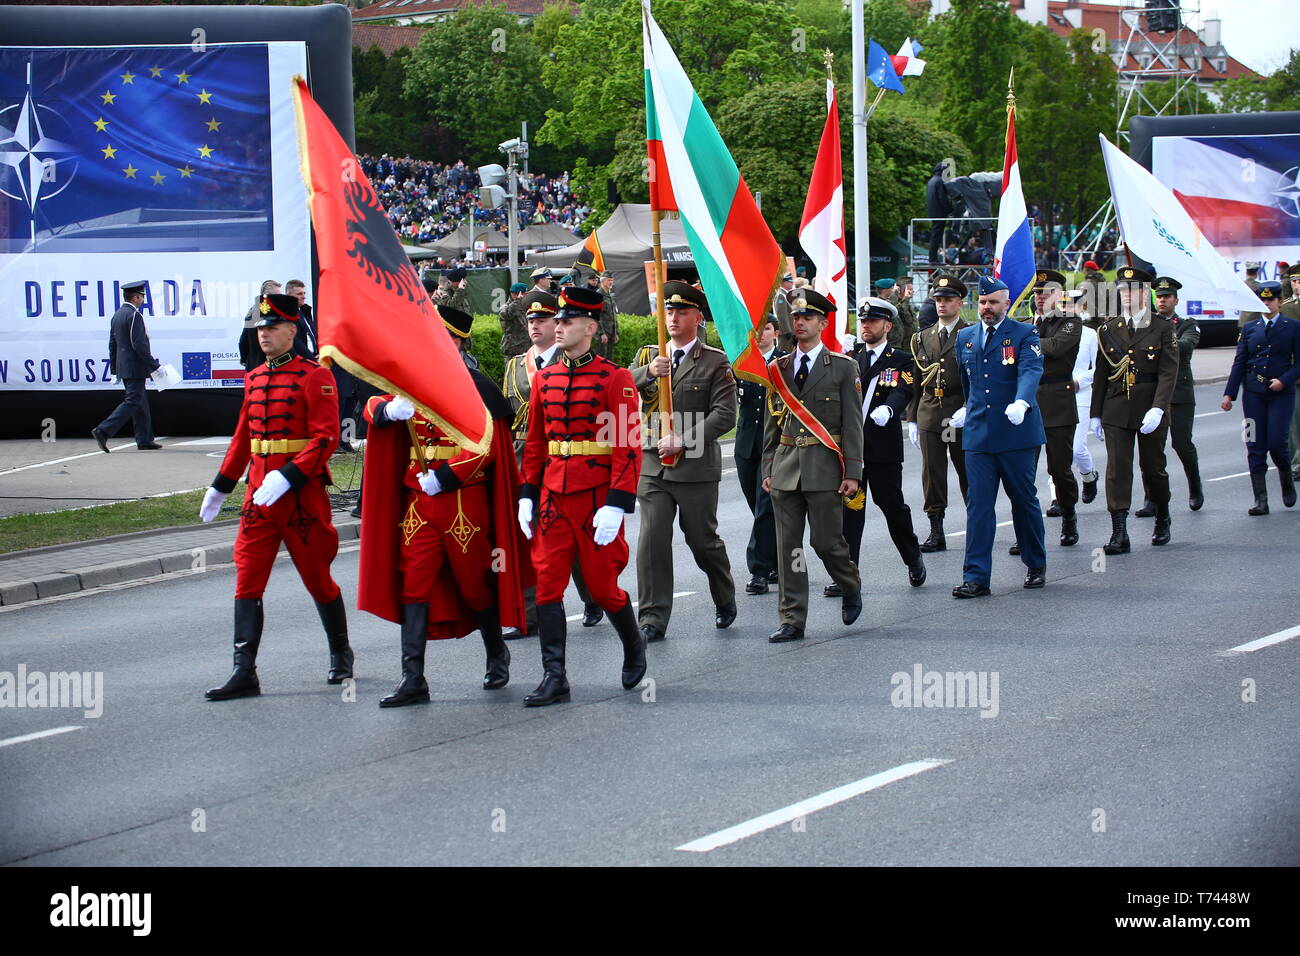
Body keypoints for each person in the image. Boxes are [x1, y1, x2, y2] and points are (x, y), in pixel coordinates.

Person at [357, 306, 527, 706]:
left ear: (457, 343)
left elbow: (488, 446)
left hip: (463, 502)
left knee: (475, 586)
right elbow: (370, 403)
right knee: (412, 584)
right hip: (418, 503)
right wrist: (386, 411)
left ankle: (495, 651)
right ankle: (412, 678)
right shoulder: (411, 384)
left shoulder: (478, 388)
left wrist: (447, 477)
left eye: (444, 339)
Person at [198, 292, 352, 700]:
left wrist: (288, 476)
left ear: (291, 329)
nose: (263, 334)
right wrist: (221, 485)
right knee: (247, 576)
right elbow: (242, 439)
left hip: (299, 495)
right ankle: (243, 670)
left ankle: (340, 652)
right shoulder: (254, 377)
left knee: (317, 578)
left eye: (271, 326)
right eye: (260, 327)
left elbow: (325, 438)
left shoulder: (315, 375)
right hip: (258, 497)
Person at [517, 286, 645, 706]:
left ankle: (634, 647)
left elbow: (627, 444)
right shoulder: (544, 378)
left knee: (603, 588)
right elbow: (535, 442)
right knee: (549, 585)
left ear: (589, 327)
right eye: (558, 320)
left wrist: (618, 502)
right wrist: (526, 494)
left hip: (595, 498)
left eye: (567, 321)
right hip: (554, 496)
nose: (558, 327)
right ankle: (555, 677)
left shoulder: (615, 377)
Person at [630, 281, 737, 642]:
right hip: (653, 464)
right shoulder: (649, 356)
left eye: (681, 312)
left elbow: (725, 416)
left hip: (694, 468)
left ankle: (724, 595)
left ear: (697, 317)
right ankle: (652, 618)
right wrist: (648, 373)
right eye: (669, 312)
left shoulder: (714, 361)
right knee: (652, 539)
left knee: (701, 540)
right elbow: (621, 389)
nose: (673, 318)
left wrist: (684, 439)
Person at [762, 290, 864, 642]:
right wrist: (768, 470)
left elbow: (853, 425)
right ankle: (792, 618)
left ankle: (849, 583)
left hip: (824, 469)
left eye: (808, 318)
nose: (800, 322)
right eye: (796, 317)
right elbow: (771, 425)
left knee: (826, 542)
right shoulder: (778, 369)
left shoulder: (842, 368)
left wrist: (853, 473)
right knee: (789, 548)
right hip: (787, 468)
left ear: (823, 323)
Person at [501, 290, 603, 635]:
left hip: (562, 456)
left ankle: (593, 596)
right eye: (531, 321)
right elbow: (507, 413)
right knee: (529, 536)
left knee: (569, 536)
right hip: (523, 457)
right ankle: (533, 612)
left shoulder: (574, 359)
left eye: (543, 320)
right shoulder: (515, 365)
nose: (536, 327)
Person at [949, 276, 1046, 597]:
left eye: (993, 302)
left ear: (1007, 303)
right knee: (978, 506)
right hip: (978, 434)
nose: (987, 308)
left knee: (1023, 500)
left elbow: (1030, 370)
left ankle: (1035, 563)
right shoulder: (965, 336)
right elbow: (968, 380)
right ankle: (976, 576)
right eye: (983, 302)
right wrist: (966, 407)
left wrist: (1022, 400)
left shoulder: (1024, 333)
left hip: (1016, 432)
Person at [836, 297, 926, 591]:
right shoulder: (850, 358)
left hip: (883, 450)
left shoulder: (900, 359)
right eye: (863, 321)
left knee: (892, 507)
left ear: (887, 325)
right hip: (853, 452)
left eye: (872, 321)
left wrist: (890, 408)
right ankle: (847, 575)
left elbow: (906, 387)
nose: (866, 326)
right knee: (850, 512)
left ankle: (913, 558)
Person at [1089, 266, 1179, 554]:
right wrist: (1095, 414)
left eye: (1133, 290)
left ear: (1144, 293)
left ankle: (1162, 515)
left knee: (1153, 467)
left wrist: (1158, 409)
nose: (1127, 295)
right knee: (1117, 469)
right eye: (1123, 290)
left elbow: (1168, 373)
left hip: (1149, 405)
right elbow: (1101, 373)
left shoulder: (1163, 327)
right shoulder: (1108, 329)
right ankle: (1119, 531)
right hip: (1116, 406)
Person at [1221, 280, 1299, 514]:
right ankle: (1260, 500)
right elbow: (1240, 362)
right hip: (1253, 395)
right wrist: (1229, 394)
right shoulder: (1250, 329)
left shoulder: (1293, 327)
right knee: (1254, 444)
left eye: (1271, 300)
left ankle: (1285, 480)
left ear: (1279, 302)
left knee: (1277, 443)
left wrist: (1284, 380)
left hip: (1280, 395)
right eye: (1263, 301)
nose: (1267, 304)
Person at [907, 274, 970, 550]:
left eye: (947, 299)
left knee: (968, 470)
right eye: (938, 299)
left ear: (960, 302)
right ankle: (936, 529)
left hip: (960, 409)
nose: (942, 305)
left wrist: (970, 407)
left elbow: (979, 377)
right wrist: (911, 418)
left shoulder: (971, 334)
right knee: (932, 472)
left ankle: (977, 522)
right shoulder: (922, 337)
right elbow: (916, 380)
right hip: (931, 410)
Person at [1133, 277, 1204, 512]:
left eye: (1167, 297)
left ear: (1175, 300)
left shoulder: (1187, 324)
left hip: (1179, 393)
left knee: (1182, 444)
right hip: (1153, 395)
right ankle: (1151, 498)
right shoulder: (1146, 324)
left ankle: (1195, 486)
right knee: (1150, 451)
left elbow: (1185, 347)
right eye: (1159, 296)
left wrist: (1160, 340)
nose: (1162, 300)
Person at [1023, 270, 1081, 549]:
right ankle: (1027, 533)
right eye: (1036, 293)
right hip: (1028, 404)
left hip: (1057, 402)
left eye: (1045, 293)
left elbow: (1056, 347)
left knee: (1059, 469)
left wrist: (1022, 341)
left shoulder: (1069, 321)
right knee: (1023, 473)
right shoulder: (1025, 323)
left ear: (1058, 295)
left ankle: (1069, 516)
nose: (1040, 298)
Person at [734, 317, 784, 595]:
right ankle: (775, 558)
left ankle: (758, 571)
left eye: (766, 328)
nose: (760, 334)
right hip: (745, 444)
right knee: (756, 506)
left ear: (776, 332)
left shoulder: (784, 363)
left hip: (773, 446)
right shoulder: (743, 362)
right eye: (756, 329)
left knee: (766, 507)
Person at [93, 279, 162, 452]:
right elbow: (139, 345)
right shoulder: (134, 316)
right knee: (133, 401)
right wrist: (154, 365)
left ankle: (144, 439)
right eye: (141, 297)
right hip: (135, 367)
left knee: (140, 402)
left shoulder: (117, 315)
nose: (143, 300)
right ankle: (103, 430)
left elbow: (112, 344)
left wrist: (114, 370)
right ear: (135, 298)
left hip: (125, 367)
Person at [239, 280, 282, 372]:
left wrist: (244, 359)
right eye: (278, 296)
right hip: (269, 369)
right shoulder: (272, 314)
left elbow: (243, 341)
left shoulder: (252, 311)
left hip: (254, 368)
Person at [1283, 264, 1300, 482]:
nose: (1298, 285)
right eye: (1295, 281)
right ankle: (1297, 462)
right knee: (1294, 424)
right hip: (1294, 375)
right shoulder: (1286, 309)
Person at [284, 279, 318, 360]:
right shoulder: (286, 316)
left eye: (304, 293)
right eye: (299, 294)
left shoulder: (304, 311)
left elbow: (313, 336)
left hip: (314, 360)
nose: (304, 296)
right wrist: (312, 360)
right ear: (289, 296)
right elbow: (296, 343)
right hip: (303, 363)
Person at [925, 161, 950, 267]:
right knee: (936, 236)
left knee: (935, 235)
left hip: (933, 212)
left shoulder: (931, 181)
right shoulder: (939, 181)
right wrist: (949, 210)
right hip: (939, 213)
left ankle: (933, 258)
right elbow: (942, 198)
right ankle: (933, 259)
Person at [498, 282, 529, 359]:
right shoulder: (506, 307)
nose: (526, 295)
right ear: (515, 294)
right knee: (512, 370)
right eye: (525, 293)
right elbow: (506, 315)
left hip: (527, 347)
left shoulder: (525, 305)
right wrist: (517, 301)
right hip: (513, 349)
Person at [773, 273, 795, 352]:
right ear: (784, 282)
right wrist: (787, 331)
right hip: (785, 331)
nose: (792, 283)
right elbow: (781, 315)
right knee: (783, 352)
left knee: (788, 352)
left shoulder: (785, 294)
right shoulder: (781, 295)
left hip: (789, 330)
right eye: (790, 281)